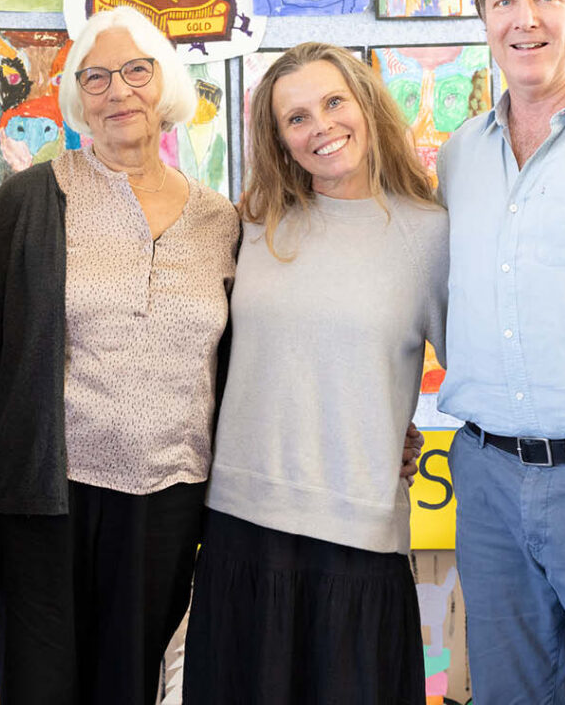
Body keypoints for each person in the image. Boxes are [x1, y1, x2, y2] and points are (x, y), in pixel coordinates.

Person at [0, 5, 239, 705]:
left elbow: (232, 363)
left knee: (131, 684)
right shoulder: (31, 199)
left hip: (171, 497)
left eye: (136, 71)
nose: (119, 91)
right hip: (48, 498)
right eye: (98, 77)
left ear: (165, 82)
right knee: (41, 686)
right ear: (78, 97)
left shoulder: (221, 220)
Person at [184, 42, 447, 705]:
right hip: (241, 522)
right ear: (278, 140)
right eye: (295, 117)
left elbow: (481, 372)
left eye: (333, 102)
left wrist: (397, 430)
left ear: (366, 105)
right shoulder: (250, 225)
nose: (320, 125)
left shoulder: (431, 235)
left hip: (356, 532)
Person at [438, 0, 565, 703]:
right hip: (487, 478)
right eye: (503, 1)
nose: (524, 19)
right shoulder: (461, 153)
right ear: (483, 19)